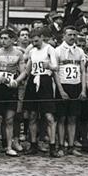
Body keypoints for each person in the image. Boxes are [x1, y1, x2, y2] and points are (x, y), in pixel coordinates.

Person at [0, 28, 25, 157]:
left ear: (13, 40)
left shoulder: (18, 54)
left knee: (9, 119)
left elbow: (24, 71)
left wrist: (17, 81)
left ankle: (9, 147)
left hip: (11, 87)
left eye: (6, 38)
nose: (3, 41)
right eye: (1, 38)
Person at [22, 27, 62, 157]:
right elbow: (27, 70)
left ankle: (52, 146)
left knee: (49, 116)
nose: (34, 43)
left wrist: (49, 66)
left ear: (42, 38)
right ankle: (33, 144)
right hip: (33, 81)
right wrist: (17, 80)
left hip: (45, 81)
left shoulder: (50, 49)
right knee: (32, 115)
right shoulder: (33, 51)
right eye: (32, 41)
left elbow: (56, 67)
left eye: (36, 41)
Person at [54, 26, 86, 156]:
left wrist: (83, 90)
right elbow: (55, 72)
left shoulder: (80, 51)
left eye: (74, 35)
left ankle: (71, 146)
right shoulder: (57, 51)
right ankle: (61, 145)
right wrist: (61, 90)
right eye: (70, 35)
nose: (72, 37)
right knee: (61, 118)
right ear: (63, 36)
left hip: (76, 86)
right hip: (63, 86)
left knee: (73, 118)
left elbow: (83, 71)